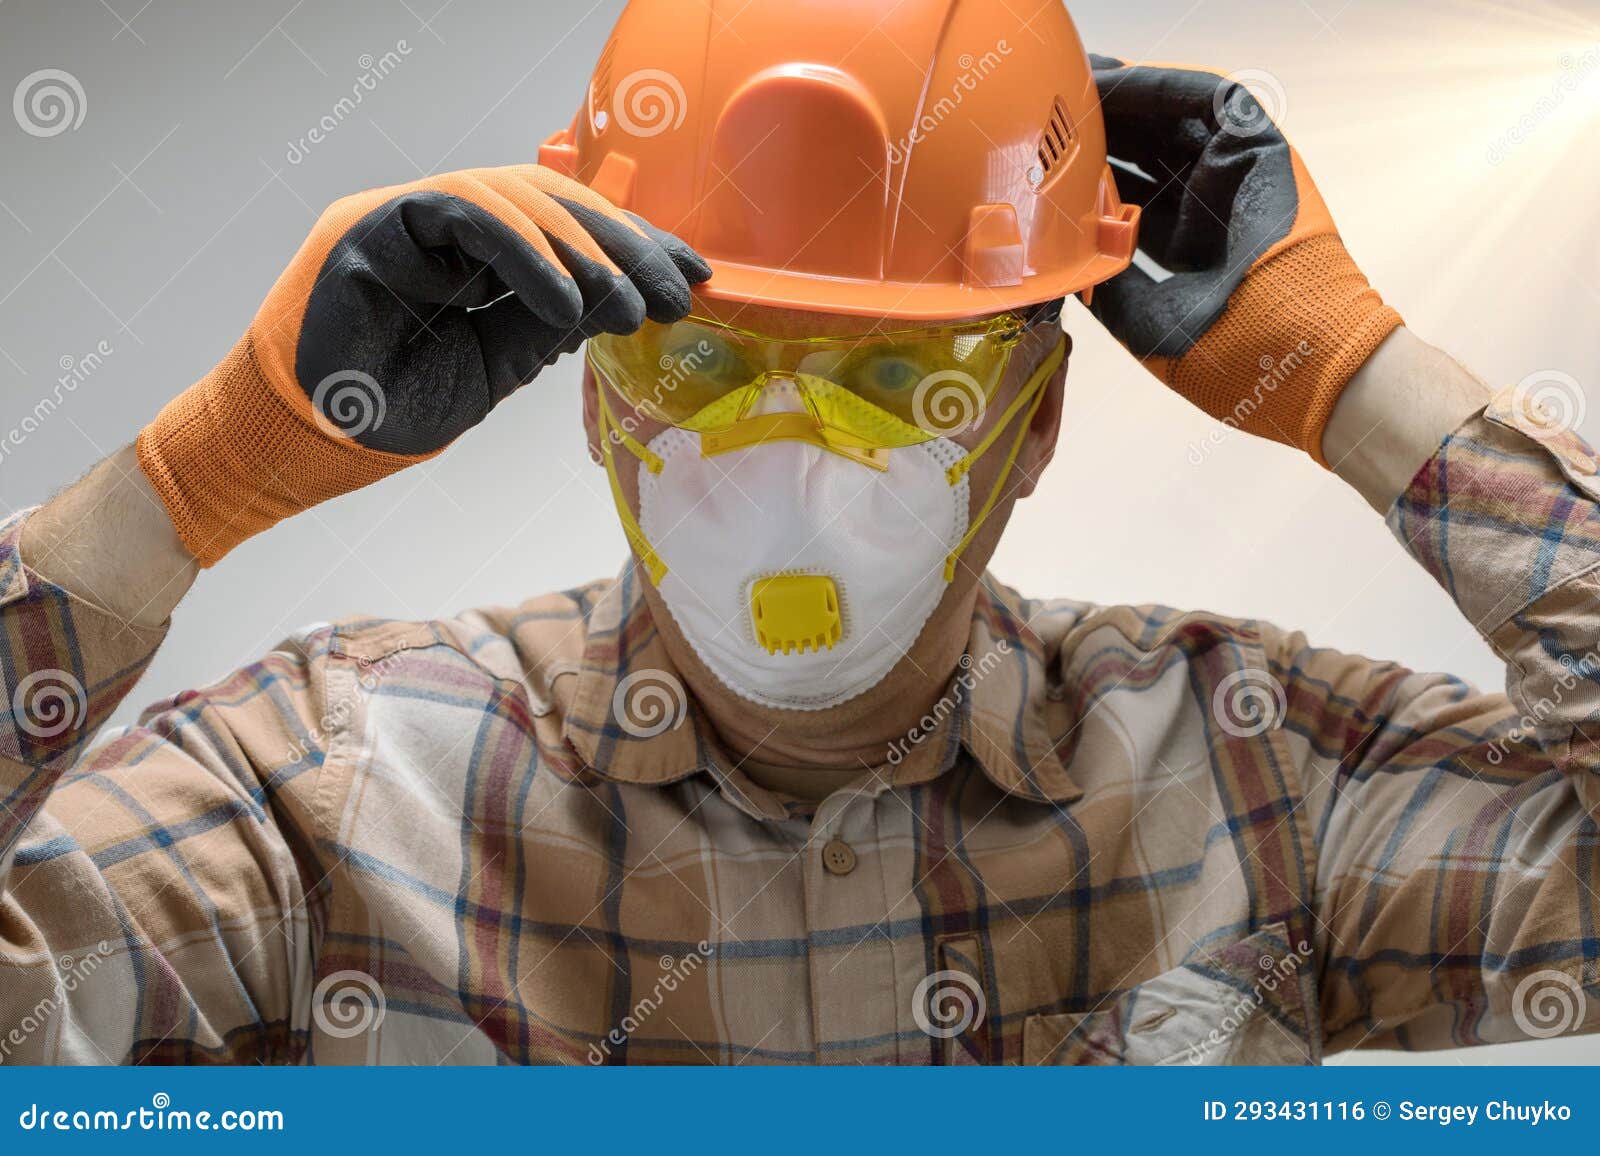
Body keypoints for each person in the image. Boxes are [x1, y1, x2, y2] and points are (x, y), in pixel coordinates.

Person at [2, 0, 1595, 1066]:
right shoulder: (331, 796)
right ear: (591, 396)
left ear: (1035, 424)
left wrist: (1352, 378)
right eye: (703, 360)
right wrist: (195, 481)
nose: (785, 461)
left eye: (900, 381)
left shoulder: (1258, 777)